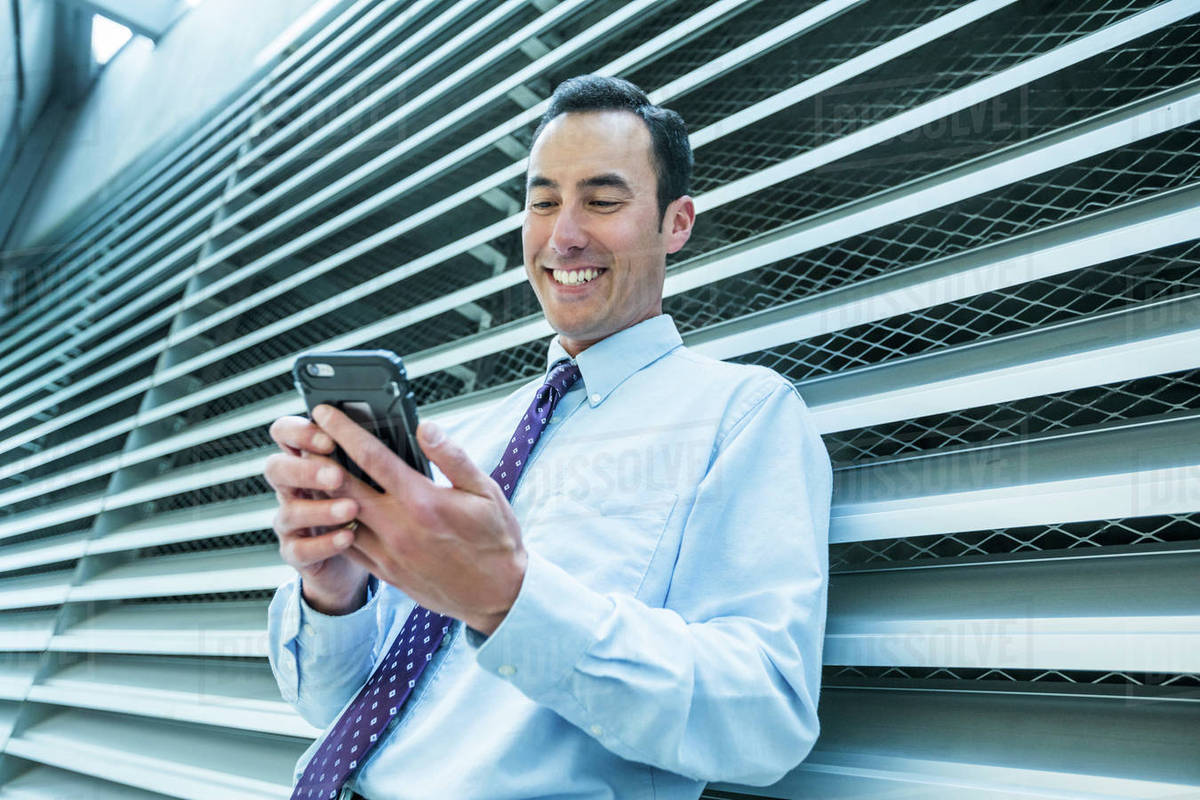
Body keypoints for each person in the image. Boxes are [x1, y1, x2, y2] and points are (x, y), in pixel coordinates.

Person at [265, 75, 832, 800]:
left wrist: (512, 601)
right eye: (542, 202)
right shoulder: (462, 442)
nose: (563, 234)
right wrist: (333, 590)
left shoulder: (743, 415)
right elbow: (327, 705)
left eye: (601, 201)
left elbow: (767, 720)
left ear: (676, 222)